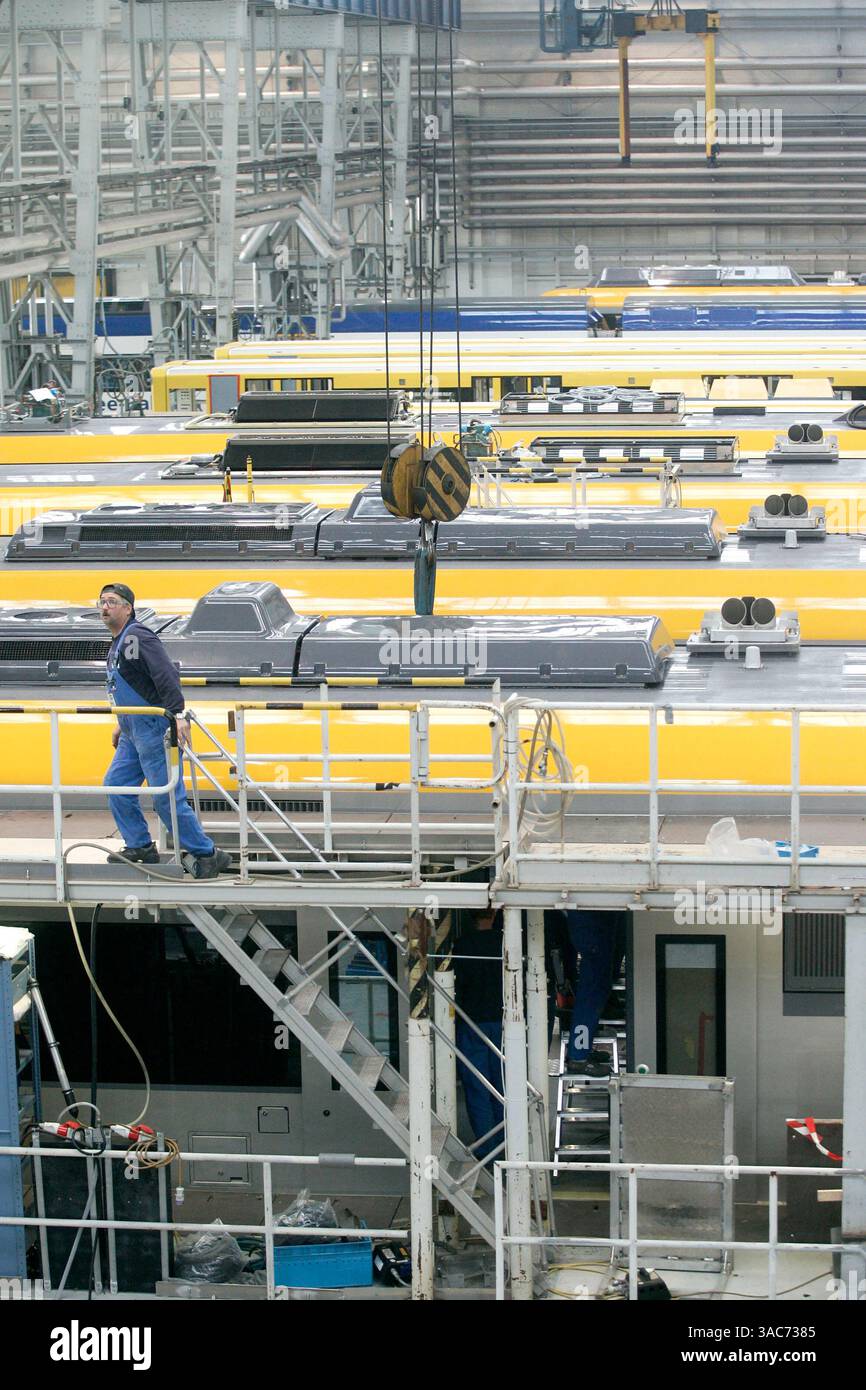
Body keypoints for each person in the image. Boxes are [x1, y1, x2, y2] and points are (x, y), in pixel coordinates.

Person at [98, 582, 231, 877]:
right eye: (102, 602)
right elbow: (128, 686)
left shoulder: (137, 636)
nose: (104, 607)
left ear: (128, 608)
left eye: (111, 601)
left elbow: (165, 673)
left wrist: (178, 713)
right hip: (133, 730)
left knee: (166, 796)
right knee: (116, 785)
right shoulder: (117, 643)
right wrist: (122, 722)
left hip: (154, 728)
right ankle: (140, 846)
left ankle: (206, 853)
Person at [452, 908, 505, 1160]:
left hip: (471, 1023)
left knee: (477, 1089)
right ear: (494, 915)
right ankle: (506, 1144)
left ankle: (487, 1150)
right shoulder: (506, 941)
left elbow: (456, 986)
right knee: (501, 1086)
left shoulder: (461, 945)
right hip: (502, 1022)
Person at [563, 911, 628, 1076]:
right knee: (590, 994)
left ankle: (581, 1049)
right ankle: (578, 1056)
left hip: (596, 933)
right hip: (593, 934)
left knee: (596, 989)